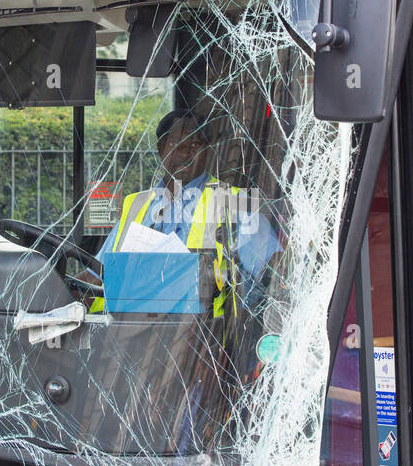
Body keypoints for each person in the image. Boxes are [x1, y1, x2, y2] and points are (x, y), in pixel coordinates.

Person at [96, 108, 280, 318]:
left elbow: (274, 267)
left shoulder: (234, 202)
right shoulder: (136, 204)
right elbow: (99, 272)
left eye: (195, 144)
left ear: (207, 150)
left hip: (204, 339)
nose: (186, 152)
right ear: (160, 148)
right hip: (128, 335)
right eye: (176, 144)